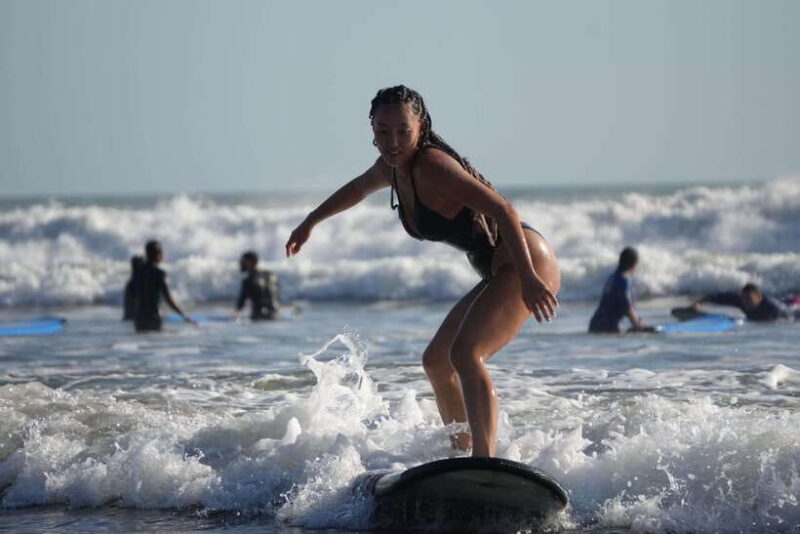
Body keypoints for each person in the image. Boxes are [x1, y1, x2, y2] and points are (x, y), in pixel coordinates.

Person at [285, 85, 560, 458]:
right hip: (500, 268)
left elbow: (504, 210)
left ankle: (485, 460)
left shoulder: (432, 165)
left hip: (523, 259)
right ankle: (462, 454)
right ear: (372, 130)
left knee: (466, 354)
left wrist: (528, 277)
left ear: (421, 125)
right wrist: (310, 222)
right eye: (382, 131)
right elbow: (357, 190)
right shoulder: (392, 169)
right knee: (436, 361)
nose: (393, 141)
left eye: (402, 130)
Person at [131, 240, 196, 332]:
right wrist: (183, 315)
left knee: (142, 345)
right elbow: (168, 298)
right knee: (155, 345)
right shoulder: (159, 273)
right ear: (158, 255)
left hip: (139, 320)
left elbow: (135, 296)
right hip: (153, 318)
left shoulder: (138, 273)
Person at [588, 247, 650, 334]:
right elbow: (627, 306)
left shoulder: (612, 278)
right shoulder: (623, 280)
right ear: (633, 265)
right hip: (608, 327)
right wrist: (638, 324)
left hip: (594, 325)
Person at [691, 283, 792, 321]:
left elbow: (788, 317)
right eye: (743, 298)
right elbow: (718, 297)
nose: (745, 302)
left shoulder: (773, 307)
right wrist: (699, 303)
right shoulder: (741, 301)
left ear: (759, 297)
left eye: (749, 299)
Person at [235, 250, 279, 320]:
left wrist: (235, 313)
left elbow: (241, 303)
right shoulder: (271, 276)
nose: (241, 263)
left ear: (249, 262)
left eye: (243, 261)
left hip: (258, 316)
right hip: (275, 315)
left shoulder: (248, 281)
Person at [122, 255, 144, 320]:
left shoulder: (130, 282)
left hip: (128, 317)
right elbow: (137, 301)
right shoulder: (137, 282)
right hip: (134, 318)